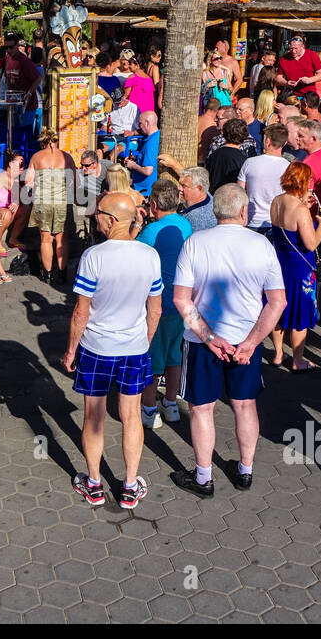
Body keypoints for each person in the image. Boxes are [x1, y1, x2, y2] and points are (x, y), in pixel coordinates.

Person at [169, 184, 286, 496]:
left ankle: (204, 476)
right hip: (246, 341)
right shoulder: (262, 245)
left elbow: (182, 300)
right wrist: (251, 342)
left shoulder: (195, 242)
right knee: (245, 405)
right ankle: (245, 470)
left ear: (215, 211)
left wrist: (209, 338)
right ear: (244, 212)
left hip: (201, 342)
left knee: (201, 408)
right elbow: (277, 302)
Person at [63, 192, 163, 509]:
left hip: (96, 347)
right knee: (131, 416)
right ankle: (130, 486)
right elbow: (156, 310)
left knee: (94, 415)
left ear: (112, 219)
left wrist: (70, 350)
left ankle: (94, 484)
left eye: (99, 214)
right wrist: (144, 342)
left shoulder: (94, 256)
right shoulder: (150, 256)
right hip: (133, 348)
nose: (95, 218)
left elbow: (81, 312)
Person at [135, 179, 194, 429]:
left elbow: (133, 257)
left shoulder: (151, 232)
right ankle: (170, 404)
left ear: (154, 204)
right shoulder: (185, 225)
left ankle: (149, 409)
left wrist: (138, 224)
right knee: (174, 356)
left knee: (152, 360)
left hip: (157, 304)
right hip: (182, 303)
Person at [268, 162, 321, 372]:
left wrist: (300, 202)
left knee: (278, 309)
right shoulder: (301, 210)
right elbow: (311, 244)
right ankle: (298, 359)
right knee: (299, 314)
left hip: (280, 264)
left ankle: (278, 353)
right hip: (300, 269)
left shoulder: (276, 201)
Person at [24, 127, 74, 288]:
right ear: (57, 140)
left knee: (45, 239)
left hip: (42, 202)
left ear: (43, 142)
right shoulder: (67, 157)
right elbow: (75, 183)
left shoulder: (37, 157)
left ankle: (48, 276)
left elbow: (28, 183)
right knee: (62, 239)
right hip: (62, 202)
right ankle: (62, 273)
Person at [236, 123, 290, 234]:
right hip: (278, 222)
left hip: (251, 221)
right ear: (284, 143)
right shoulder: (289, 167)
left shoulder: (250, 163)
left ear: (268, 141)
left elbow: (239, 193)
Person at [205, 118, 250, 193]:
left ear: (224, 133)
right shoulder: (243, 160)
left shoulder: (214, 155)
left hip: (214, 197)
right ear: (244, 136)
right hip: (231, 199)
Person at [177, 166, 217, 232]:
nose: (179, 188)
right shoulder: (206, 195)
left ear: (199, 188)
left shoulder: (196, 221)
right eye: (180, 184)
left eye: (183, 186)